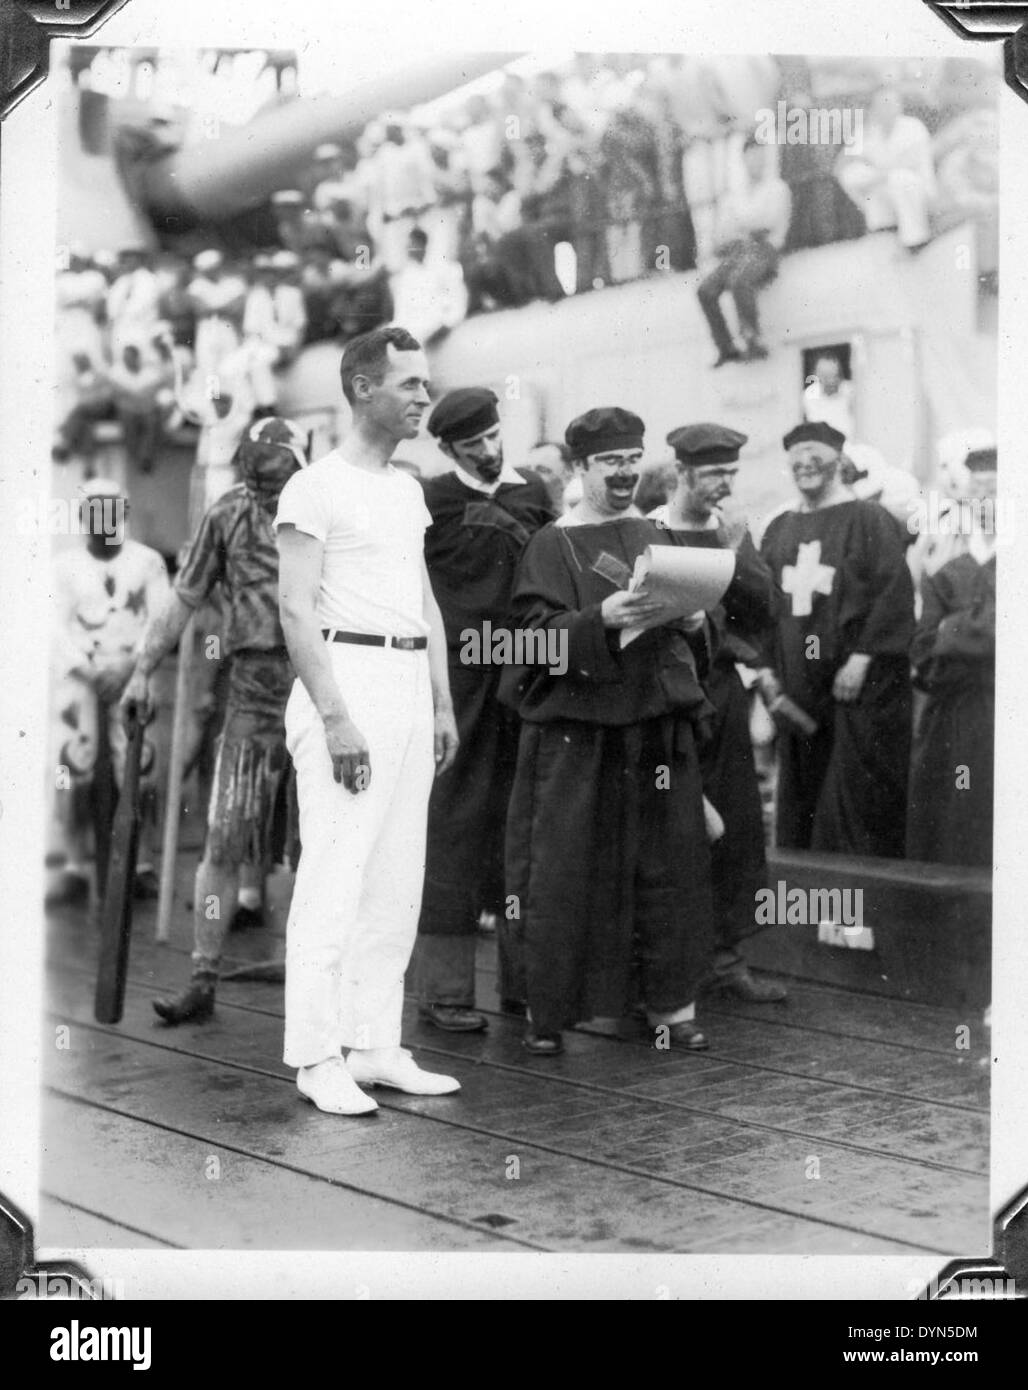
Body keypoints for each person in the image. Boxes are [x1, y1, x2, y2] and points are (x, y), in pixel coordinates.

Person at [274, 325, 460, 1115]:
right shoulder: (312, 487)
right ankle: (316, 1055)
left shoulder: (407, 489)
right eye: (410, 384)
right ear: (361, 388)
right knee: (336, 874)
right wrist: (336, 715)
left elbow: (424, 603)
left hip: (407, 681)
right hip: (344, 681)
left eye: (426, 383)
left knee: (394, 877)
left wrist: (442, 701)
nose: (425, 397)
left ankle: (374, 1044)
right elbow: (293, 607)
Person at [501, 406, 716, 1056]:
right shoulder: (553, 543)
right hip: (579, 737)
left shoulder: (654, 530)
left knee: (668, 869)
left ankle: (672, 1008)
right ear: (580, 468)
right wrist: (600, 619)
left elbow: (697, 621)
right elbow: (529, 643)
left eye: (631, 460)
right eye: (610, 463)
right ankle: (548, 1015)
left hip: (655, 729)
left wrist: (696, 624)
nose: (624, 473)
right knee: (563, 875)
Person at [120, 418, 310, 1022]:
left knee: (323, 843)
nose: (265, 478)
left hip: (322, 690)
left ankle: (318, 973)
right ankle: (204, 972)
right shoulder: (227, 513)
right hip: (253, 693)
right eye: (256, 467)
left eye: (277, 466)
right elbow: (184, 596)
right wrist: (143, 668)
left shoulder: (329, 506)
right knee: (225, 838)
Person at [410, 388, 555, 1032]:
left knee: (523, 828)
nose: (490, 451)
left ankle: (524, 987)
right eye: (474, 445)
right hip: (460, 681)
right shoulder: (432, 501)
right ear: (446, 449)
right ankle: (443, 994)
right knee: (453, 826)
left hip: (523, 675)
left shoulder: (532, 497)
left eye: (495, 437)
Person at [654, 423, 785, 1002]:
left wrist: (737, 554)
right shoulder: (652, 530)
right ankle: (671, 966)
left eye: (731, 474)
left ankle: (728, 960)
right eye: (712, 475)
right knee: (674, 824)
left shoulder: (729, 531)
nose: (723, 486)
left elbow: (764, 612)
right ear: (681, 473)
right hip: (667, 695)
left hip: (723, 694)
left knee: (734, 820)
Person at [758, 420, 914, 856]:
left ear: (838, 461)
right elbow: (761, 604)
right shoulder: (779, 528)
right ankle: (805, 905)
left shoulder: (869, 519)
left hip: (856, 688)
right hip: (797, 684)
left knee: (854, 803)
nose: (806, 464)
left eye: (816, 455)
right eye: (797, 456)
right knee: (801, 802)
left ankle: (856, 907)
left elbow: (892, 592)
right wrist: (766, 668)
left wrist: (864, 655)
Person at [48, 479, 170, 904]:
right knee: (69, 765)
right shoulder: (63, 566)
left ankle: (141, 866)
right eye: (94, 515)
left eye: (112, 514)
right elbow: (53, 626)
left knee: (141, 764)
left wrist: (129, 665)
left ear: (124, 514)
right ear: (83, 520)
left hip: (132, 671)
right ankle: (75, 866)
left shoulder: (148, 562)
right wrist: (86, 670)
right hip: (80, 676)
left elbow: (160, 620)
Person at [906, 445, 995, 867]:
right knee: (954, 822)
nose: (989, 503)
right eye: (980, 494)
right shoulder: (945, 573)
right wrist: (979, 631)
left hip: (1005, 713)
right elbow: (924, 653)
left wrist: (952, 630)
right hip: (953, 717)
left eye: (999, 493)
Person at [696, 135, 791, 366]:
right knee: (706, 290)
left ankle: (752, 338)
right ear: (744, 159)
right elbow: (722, 233)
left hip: (764, 251)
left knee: (740, 280)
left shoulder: (777, 189)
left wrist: (741, 227)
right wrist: (741, 230)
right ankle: (725, 346)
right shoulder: (734, 195)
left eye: (760, 156)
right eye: (751, 157)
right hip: (738, 252)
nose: (755, 162)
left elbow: (768, 223)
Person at [836, 86, 936, 252]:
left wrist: (878, 175)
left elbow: (908, 165)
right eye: (882, 104)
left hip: (916, 186)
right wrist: (858, 151)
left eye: (891, 103)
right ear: (874, 108)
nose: (887, 108)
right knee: (850, 175)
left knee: (899, 178)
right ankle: (884, 222)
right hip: (885, 183)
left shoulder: (913, 127)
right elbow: (841, 165)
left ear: (900, 105)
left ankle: (915, 238)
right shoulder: (869, 131)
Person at [388, 226, 467, 346]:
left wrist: (448, 322)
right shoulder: (407, 275)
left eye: (411, 244)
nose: (407, 249)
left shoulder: (441, 268)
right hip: (415, 327)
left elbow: (456, 298)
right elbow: (401, 313)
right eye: (407, 245)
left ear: (422, 245)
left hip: (437, 323)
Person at [802, 353, 856, 441]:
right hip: (822, 448)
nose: (831, 380)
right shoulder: (809, 395)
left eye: (834, 375)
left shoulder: (850, 390)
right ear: (816, 375)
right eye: (825, 376)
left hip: (849, 447)